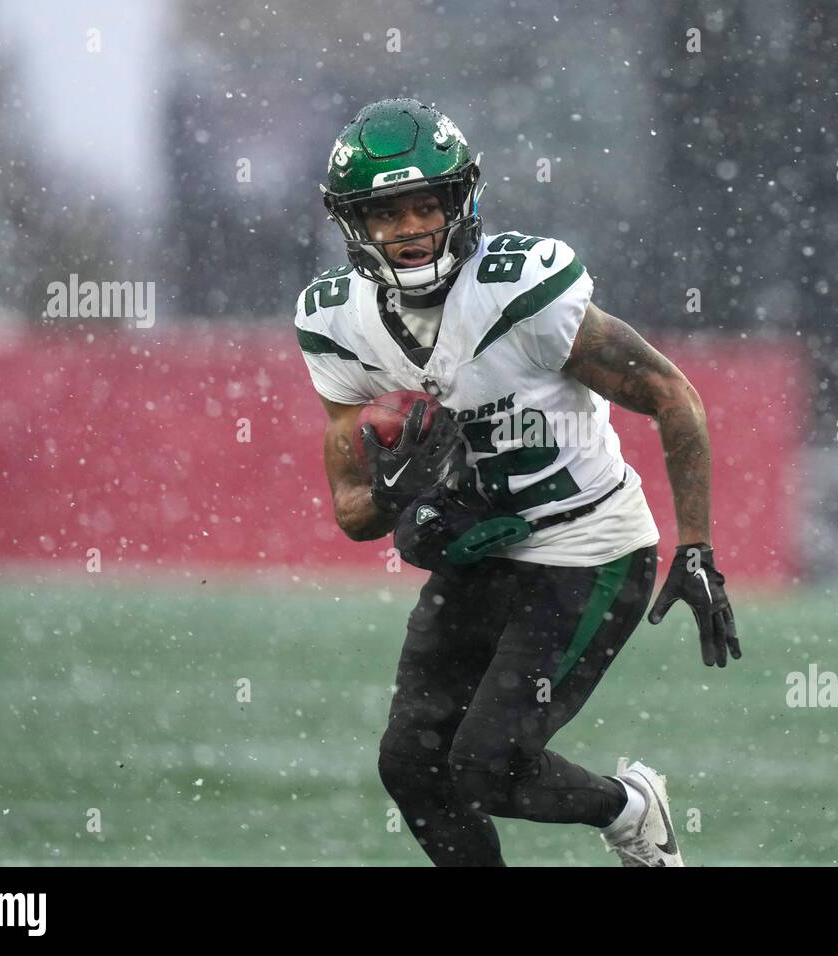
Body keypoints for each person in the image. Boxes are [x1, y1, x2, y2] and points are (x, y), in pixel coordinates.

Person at [295, 98, 739, 867]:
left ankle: (630, 810)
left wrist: (695, 547)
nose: (409, 230)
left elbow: (674, 396)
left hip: (588, 545)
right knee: (411, 766)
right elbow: (354, 515)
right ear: (353, 225)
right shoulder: (337, 320)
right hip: (484, 552)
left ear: (460, 200)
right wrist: (400, 489)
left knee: (486, 767)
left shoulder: (519, 290)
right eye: (385, 214)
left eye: (424, 206)